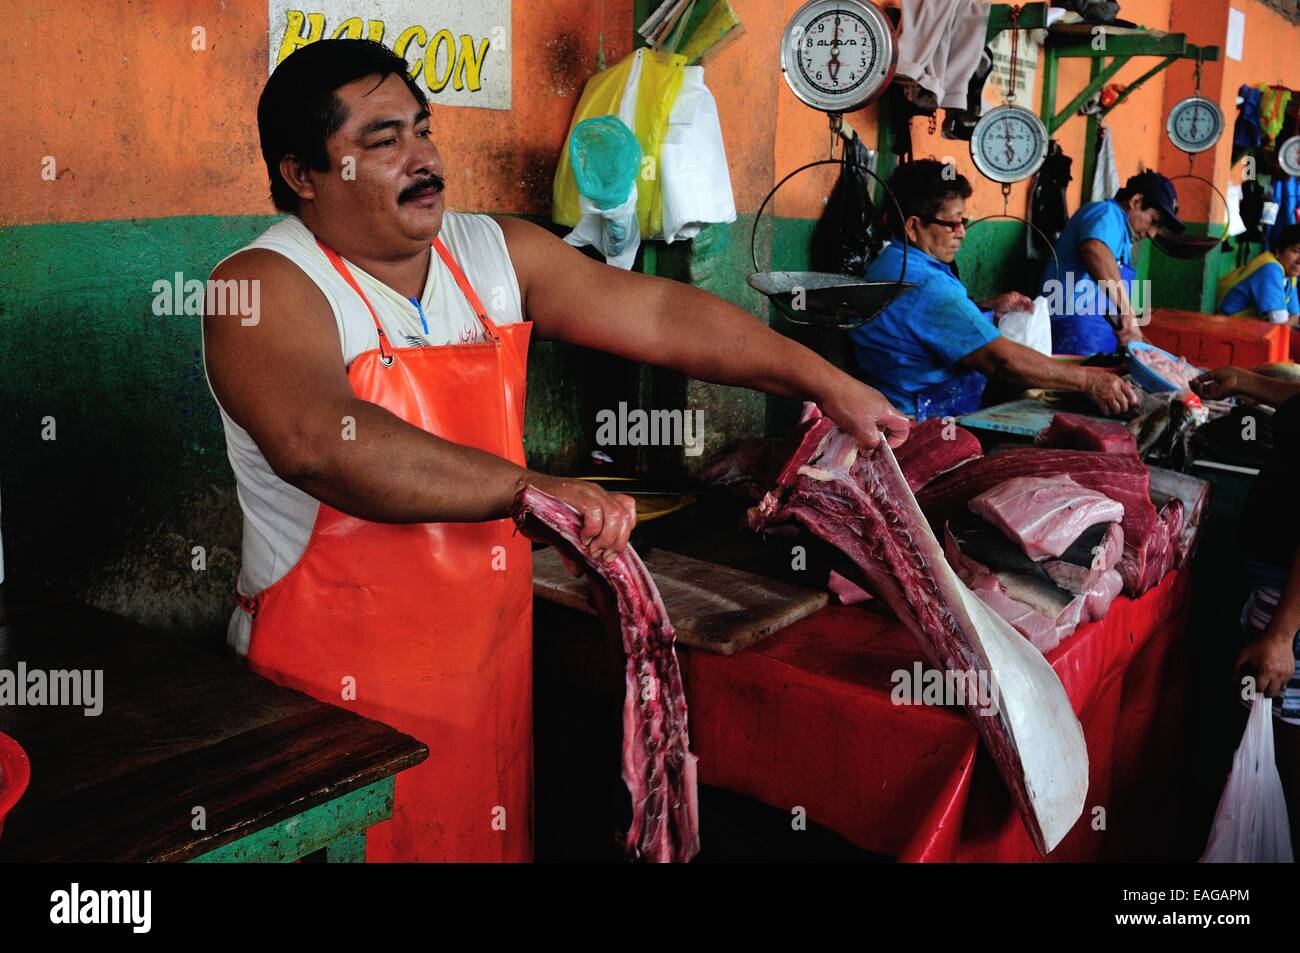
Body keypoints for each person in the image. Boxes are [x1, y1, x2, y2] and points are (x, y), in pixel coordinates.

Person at [201, 40, 908, 862]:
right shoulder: (262, 286)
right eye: (381, 140)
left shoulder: (489, 253)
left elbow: (660, 316)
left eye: (423, 129)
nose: (423, 158)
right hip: (331, 692)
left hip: (486, 664)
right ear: (301, 172)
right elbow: (318, 444)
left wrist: (825, 381)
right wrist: (532, 489)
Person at [851, 159, 1140, 421]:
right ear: (914, 227)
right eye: (952, 223)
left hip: (897, 403)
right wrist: (1089, 381)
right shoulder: (927, 284)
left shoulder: (889, 263)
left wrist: (985, 310)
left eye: (963, 221)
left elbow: (919, 325)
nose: (962, 232)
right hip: (925, 422)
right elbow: (999, 359)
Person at [1192, 366, 1300, 706]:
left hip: (1289, 600)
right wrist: (1248, 382)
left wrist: (1282, 634)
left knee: (1277, 732)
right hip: (1276, 585)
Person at [1039, 170, 1185, 355]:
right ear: (1136, 202)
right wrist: (1128, 312)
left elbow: (1108, 305)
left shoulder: (1123, 239)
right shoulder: (1107, 213)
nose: (1151, 233)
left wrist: (1145, 346)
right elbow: (1094, 249)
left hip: (1094, 342)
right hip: (1069, 334)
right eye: (1153, 221)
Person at [1216, 224, 1300, 327]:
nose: (1299, 261)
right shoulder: (1270, 269)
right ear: (1279, 251)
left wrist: (1290, 321)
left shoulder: (1291, 277)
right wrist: (1290, 321)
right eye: (1296, 251)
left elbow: (1295, 315)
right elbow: (1279, 322)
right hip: (1222, 325)